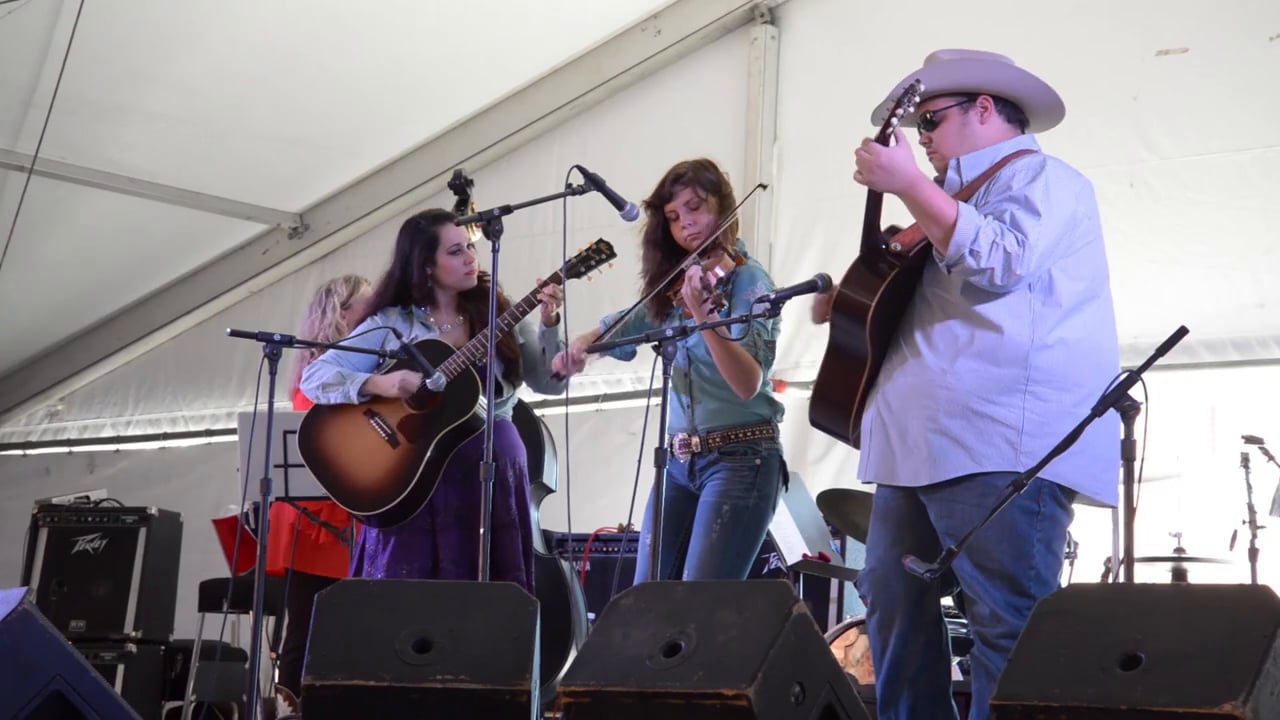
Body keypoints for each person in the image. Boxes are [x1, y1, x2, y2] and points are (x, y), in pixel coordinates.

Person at [845, 49, 1120, 719]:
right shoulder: (944, 201)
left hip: (1001, 444)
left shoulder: (1047, 180)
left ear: (986, 109)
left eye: (930, 121)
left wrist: (910, 184)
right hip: (916, 443)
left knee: (1007, 625)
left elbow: (1005, 262)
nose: (924, 141)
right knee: (891, 606)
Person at [300, 208, 567, 591]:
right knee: (408, 593)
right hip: (412, 469)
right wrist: (382, 384)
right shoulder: (393, 323)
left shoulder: (500, 311)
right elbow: (315, 377)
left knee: (486, 592)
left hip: (488, 466)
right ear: (426, 265)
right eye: (456, 251)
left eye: (470, 248)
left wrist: (550, 324)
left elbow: (549, 383)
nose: (471, 258)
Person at [551, 157, 787, 583]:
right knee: (646, 597)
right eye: (675, 217)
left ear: (723, 207)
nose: (686, 225)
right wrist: (586, 344)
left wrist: (701, 317)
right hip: (679, 462)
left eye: (695, 208)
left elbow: (747, 382)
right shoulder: (682, 280)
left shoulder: (750, 281)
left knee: (698, 602)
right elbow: (637, 318)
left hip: (741, 458)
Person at [261, 274, 371, 709]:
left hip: (351, 507)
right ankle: (292, 707)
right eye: (365, 302)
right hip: (316, 512)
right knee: (305, 622)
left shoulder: (367, 354)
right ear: (341, 313)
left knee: (351, 620)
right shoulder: (318, 367)